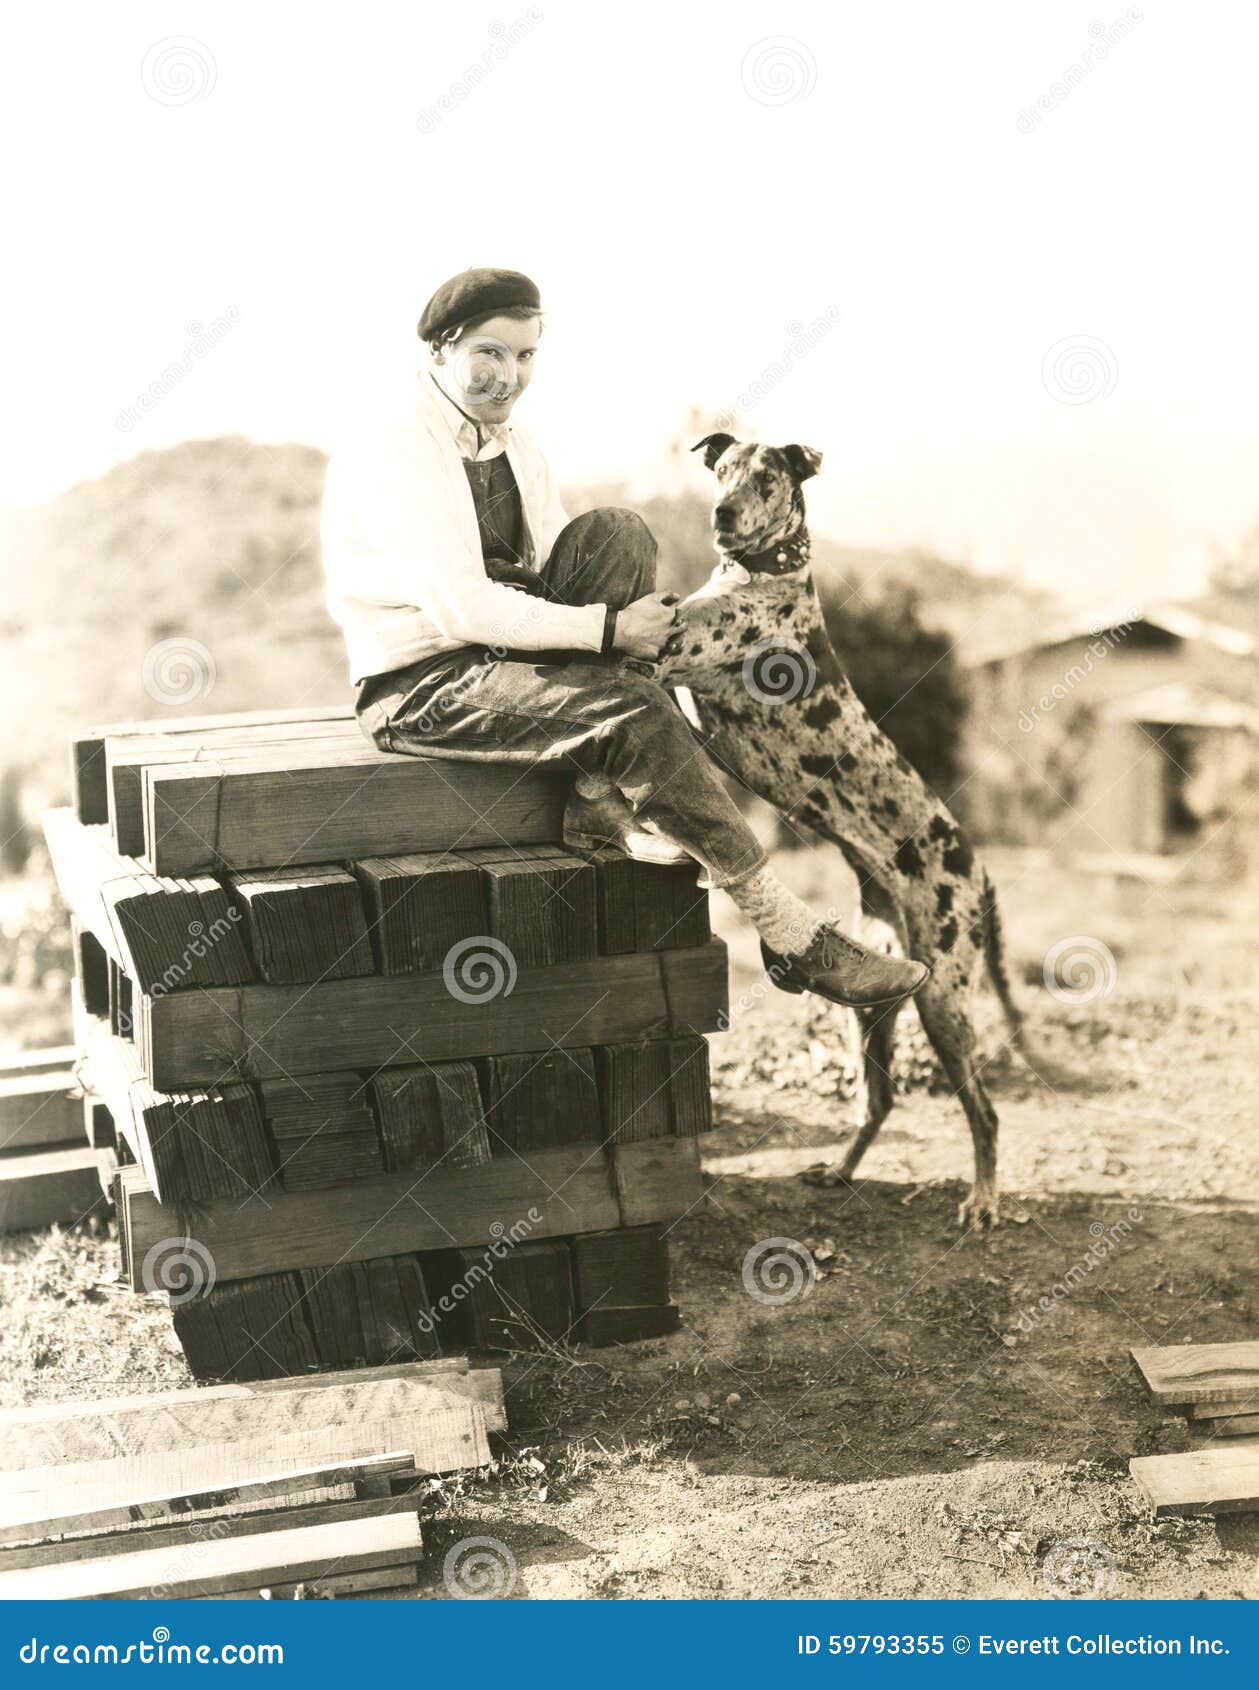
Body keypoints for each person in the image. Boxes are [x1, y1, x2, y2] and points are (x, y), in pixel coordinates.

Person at [321, 266, 928, 1008]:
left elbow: (557, 561)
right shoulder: (398, 445)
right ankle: (792, 936)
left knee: (618, 534)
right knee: (633, 708)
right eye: (489, 353)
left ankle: (592, 798)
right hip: (422, 686)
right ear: (441, 350)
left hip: (501, 651)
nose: (508, 376)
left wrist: (638, 626)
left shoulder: (513, 443)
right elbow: (462, 610)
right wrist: (613, 631)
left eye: (525, 355)